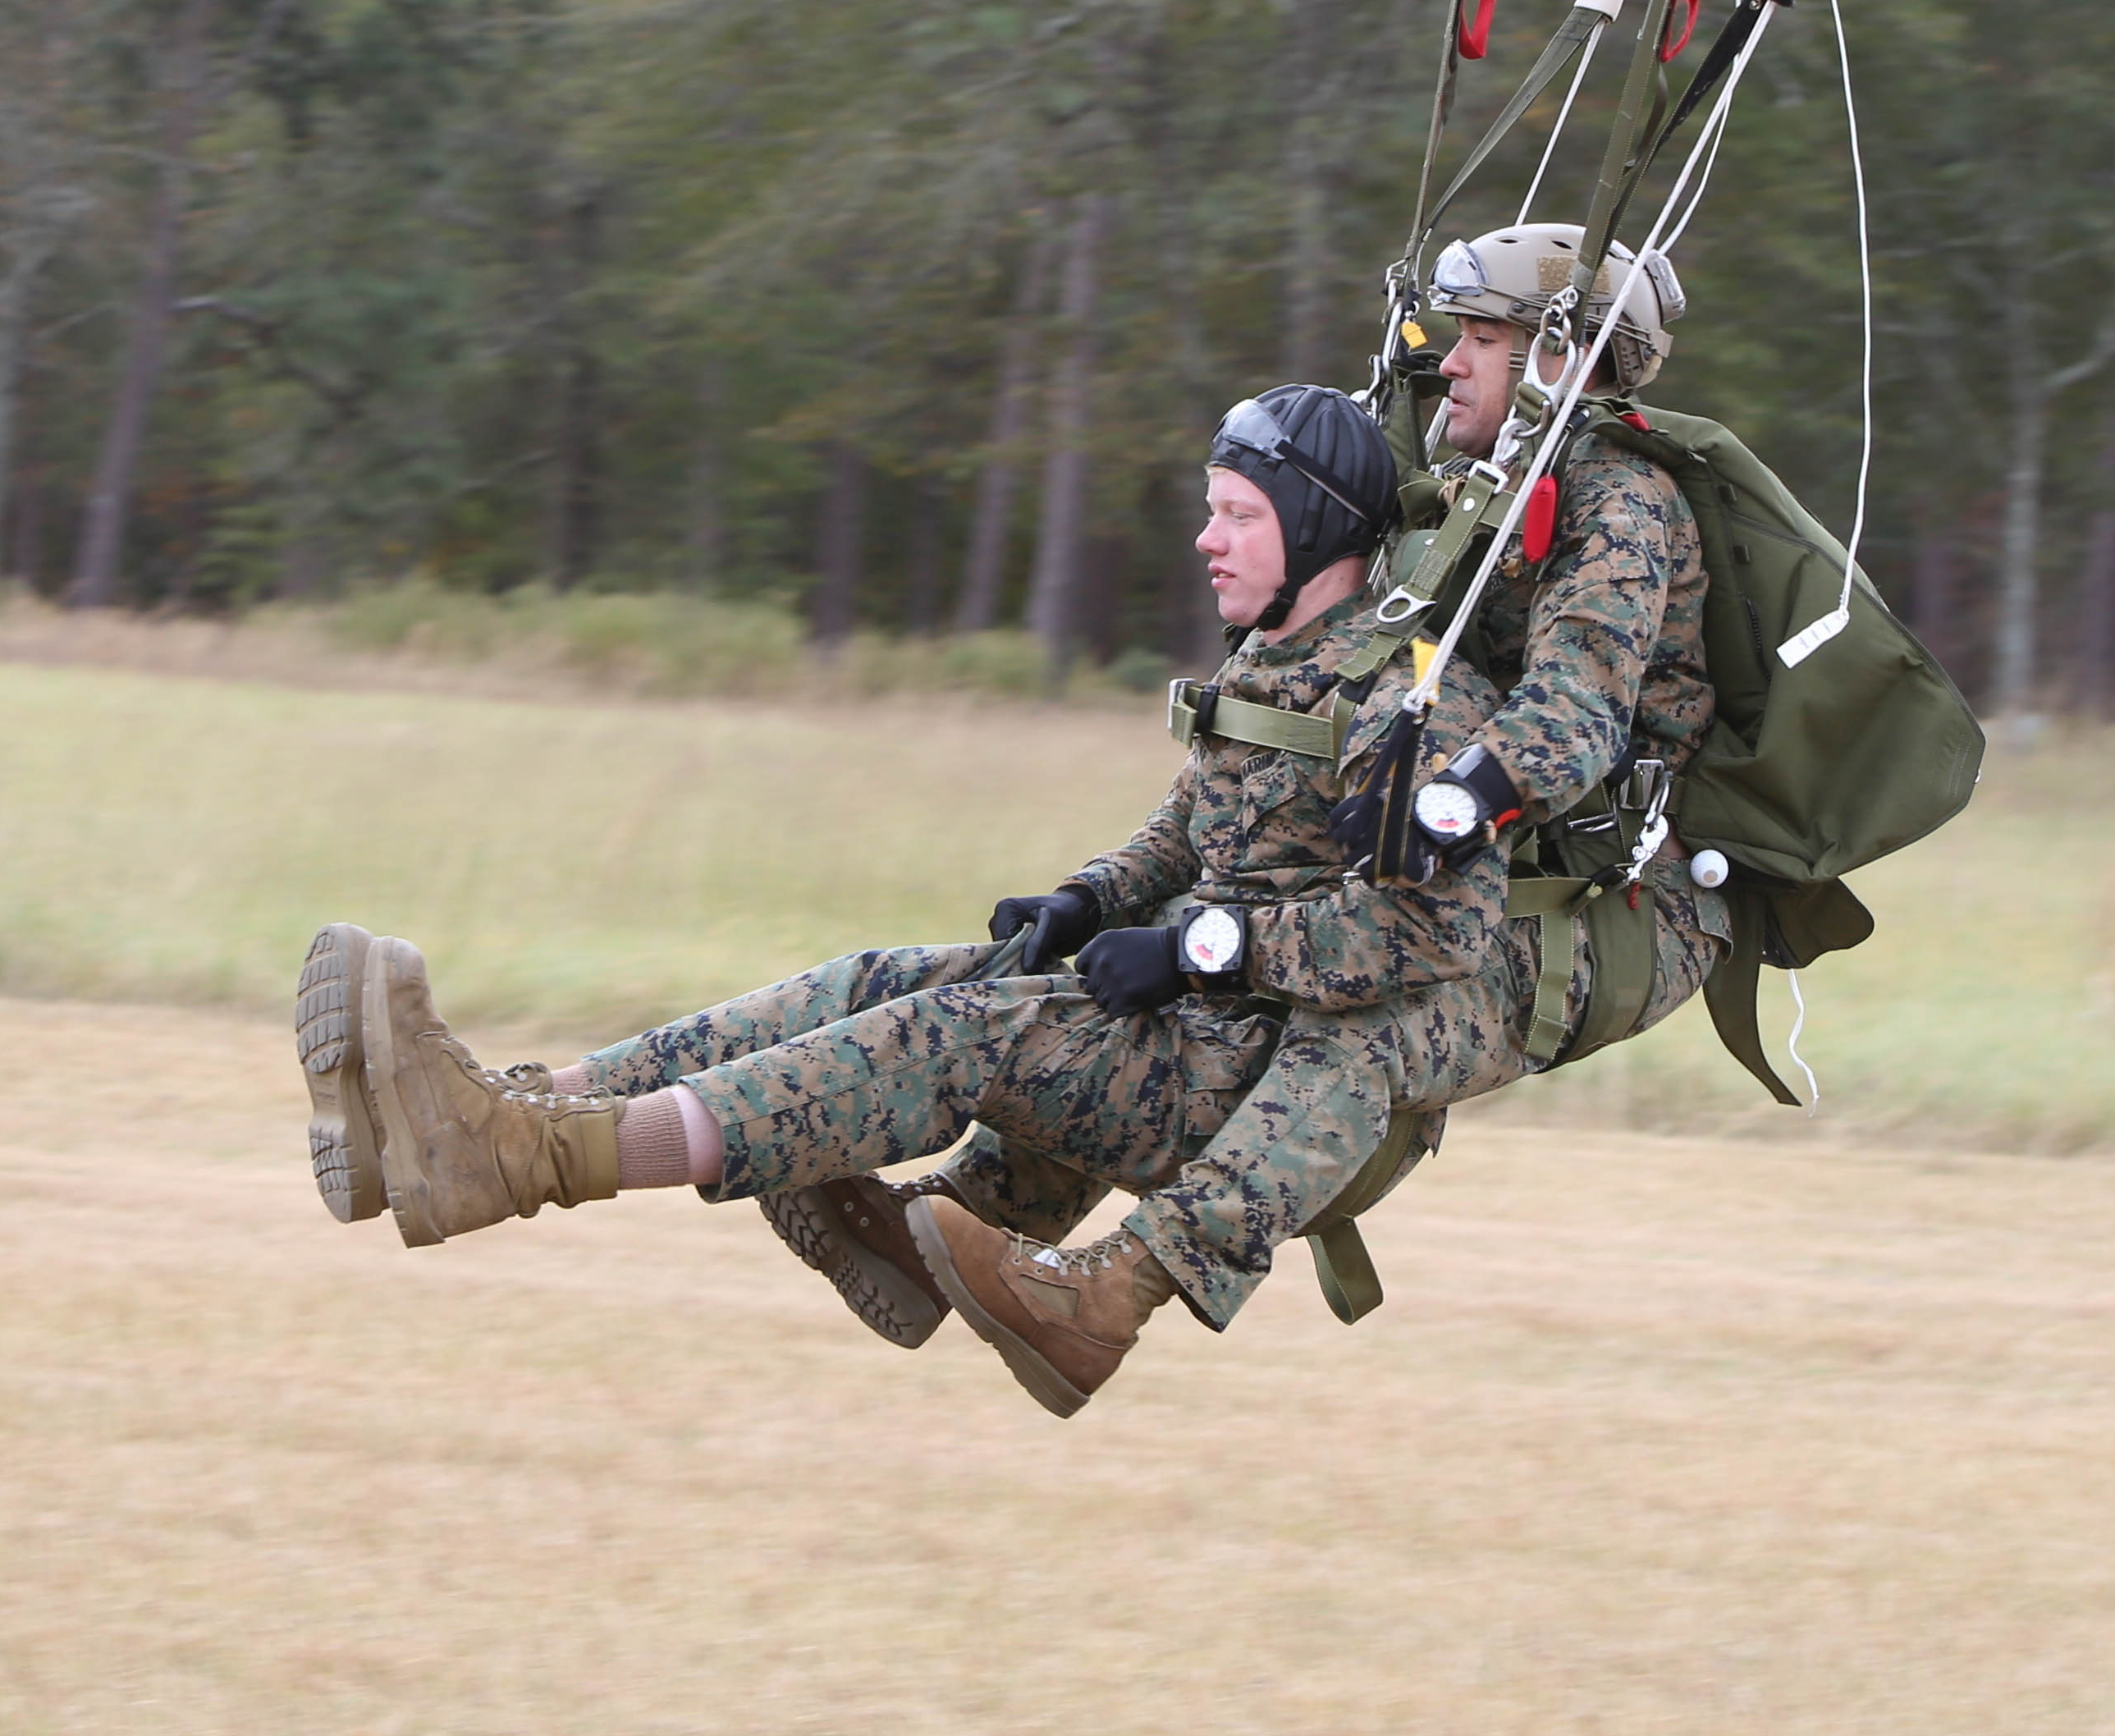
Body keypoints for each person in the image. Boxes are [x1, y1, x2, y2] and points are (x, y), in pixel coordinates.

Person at [291, 383, 1518, 1417]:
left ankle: (521, 1160)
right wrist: (1093, 900)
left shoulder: (1416, 696)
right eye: (1212, 512)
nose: (1208, 538)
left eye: (1239, 516)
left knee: (947, 1036)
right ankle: (474, 1118)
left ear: (1315, 528)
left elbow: (1437, 936)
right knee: (885, 980)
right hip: (1195, 1034)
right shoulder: (1275, 656)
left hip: (1259, 1092)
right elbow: (1196, 823)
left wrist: (1201, 949)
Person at [886, 218, 1733, 1407]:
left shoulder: (1622, 507)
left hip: (1613, 903)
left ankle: (1113, 1297)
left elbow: (1575, 721)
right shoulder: (1469, 483)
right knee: (1176, 932)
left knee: (1373, 1019)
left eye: (1485, 338)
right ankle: (981, 1214)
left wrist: (1454, 799)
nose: (1452, 362)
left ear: (1564, 359)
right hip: (1484, 854)